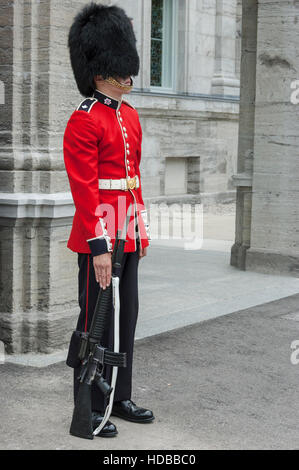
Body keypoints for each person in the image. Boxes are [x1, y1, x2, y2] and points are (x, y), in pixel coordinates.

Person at [63, 2, 154, 438]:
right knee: (95, 319)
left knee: (127, 316)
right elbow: (86, 189)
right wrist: (99, 246)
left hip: (128, 231)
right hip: (99, 234)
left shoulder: (130, 116)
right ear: (101, 70)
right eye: (122, 69)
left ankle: (120, 394)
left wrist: (138, 231)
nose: (129, 76)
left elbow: (132, 180)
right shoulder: (84, 120)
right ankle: (91, 404)